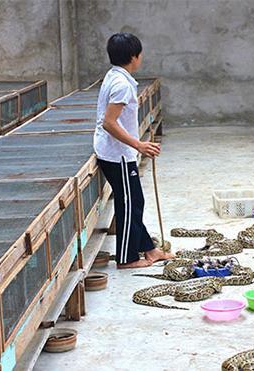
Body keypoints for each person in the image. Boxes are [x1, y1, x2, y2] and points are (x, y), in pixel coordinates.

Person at [94, 33, 174, 268]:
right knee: (129, 203)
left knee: (134, 201)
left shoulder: (115, 76)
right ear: (134, 57)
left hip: (117, 152)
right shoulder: (121, 85)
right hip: (117, 154)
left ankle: (149, 249)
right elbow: (109, 122)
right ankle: (126, 258)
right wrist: (139, 145)